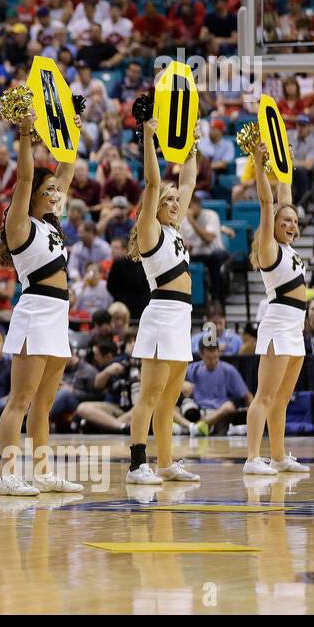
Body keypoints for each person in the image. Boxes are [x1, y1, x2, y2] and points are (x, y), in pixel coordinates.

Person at [0, 112, 82, 496]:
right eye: (46, 191)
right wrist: (27, 133)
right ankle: (8, 474)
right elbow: (27, 177)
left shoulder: (50, 224)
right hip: (33, 313)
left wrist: (71, 127)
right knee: (21, 400)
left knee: (44, 404)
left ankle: (43, 473)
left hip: (57, 317)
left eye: (55, 191)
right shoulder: (21, 224)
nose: (53, 194)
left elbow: (68, 170)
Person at [124, 118, 201, 484]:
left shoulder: (174, 230)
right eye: (167, 201)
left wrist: (191, 146)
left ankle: (167, 463)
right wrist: (151, 138)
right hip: (160, 316)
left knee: (169, 400)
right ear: (152, 207)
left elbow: (188, 181)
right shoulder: (150, 230)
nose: (174, 203)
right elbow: (155, 183)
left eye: (175, 201)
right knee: (151, 396)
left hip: (182, 318)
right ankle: (138, 463)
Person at [242, 140, 309, 477]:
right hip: (278, 325)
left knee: (282, 399)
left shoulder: (291, 249)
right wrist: (258, 161)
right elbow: (269, 202)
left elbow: (284, 196)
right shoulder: (270, 250)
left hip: (296, 329)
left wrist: (286, 165)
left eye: (295, 222)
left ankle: (279, 456)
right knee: (264, 397)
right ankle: (253, 458)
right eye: (286, 222)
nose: (291, 226)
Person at [182, 334, 252, 435]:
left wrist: (253, 415)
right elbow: (173, 384)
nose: (213, 361)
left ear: (218, 352)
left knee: (228, 407)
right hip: (197, 411)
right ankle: (192, 427)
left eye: (215, 357)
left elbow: (248, 397)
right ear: (201, 354)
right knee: (170, 406)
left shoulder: (229, 370)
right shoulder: (193, 369)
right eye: (209, 358)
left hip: (218, 413)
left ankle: (193, 427)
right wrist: (183, 384)